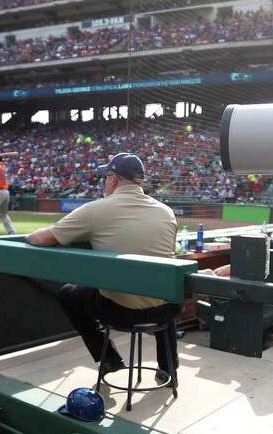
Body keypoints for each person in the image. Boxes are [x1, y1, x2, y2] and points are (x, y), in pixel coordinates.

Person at [25, 152, 180, 379]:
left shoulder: (97, 209)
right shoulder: (166, 211)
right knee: (162, 292)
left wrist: (30, 235)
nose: (104, 182)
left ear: (114, 179)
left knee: (69, 293)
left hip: (123, 312)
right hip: (168, 308)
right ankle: (169, 370)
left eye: (105, 177)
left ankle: (108, 358)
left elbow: (42, 239)